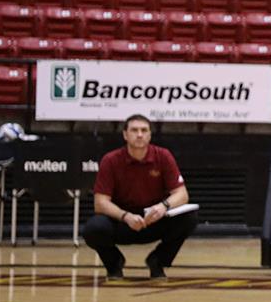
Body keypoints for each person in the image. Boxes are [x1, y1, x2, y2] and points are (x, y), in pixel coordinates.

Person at [82, 114, 196, 280]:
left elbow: (182, 194)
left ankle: (158, 261)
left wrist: (163, 206)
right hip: (122, 221)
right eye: (134, 130)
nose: (140, 134)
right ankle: (114, 264)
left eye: (144, 130)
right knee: (93, 229)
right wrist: (126, 216)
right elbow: (100, 203)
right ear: (125, 135)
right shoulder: (111, 160)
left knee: (189, 218)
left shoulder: (163, 156)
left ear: (150, 135)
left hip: (153, 220)